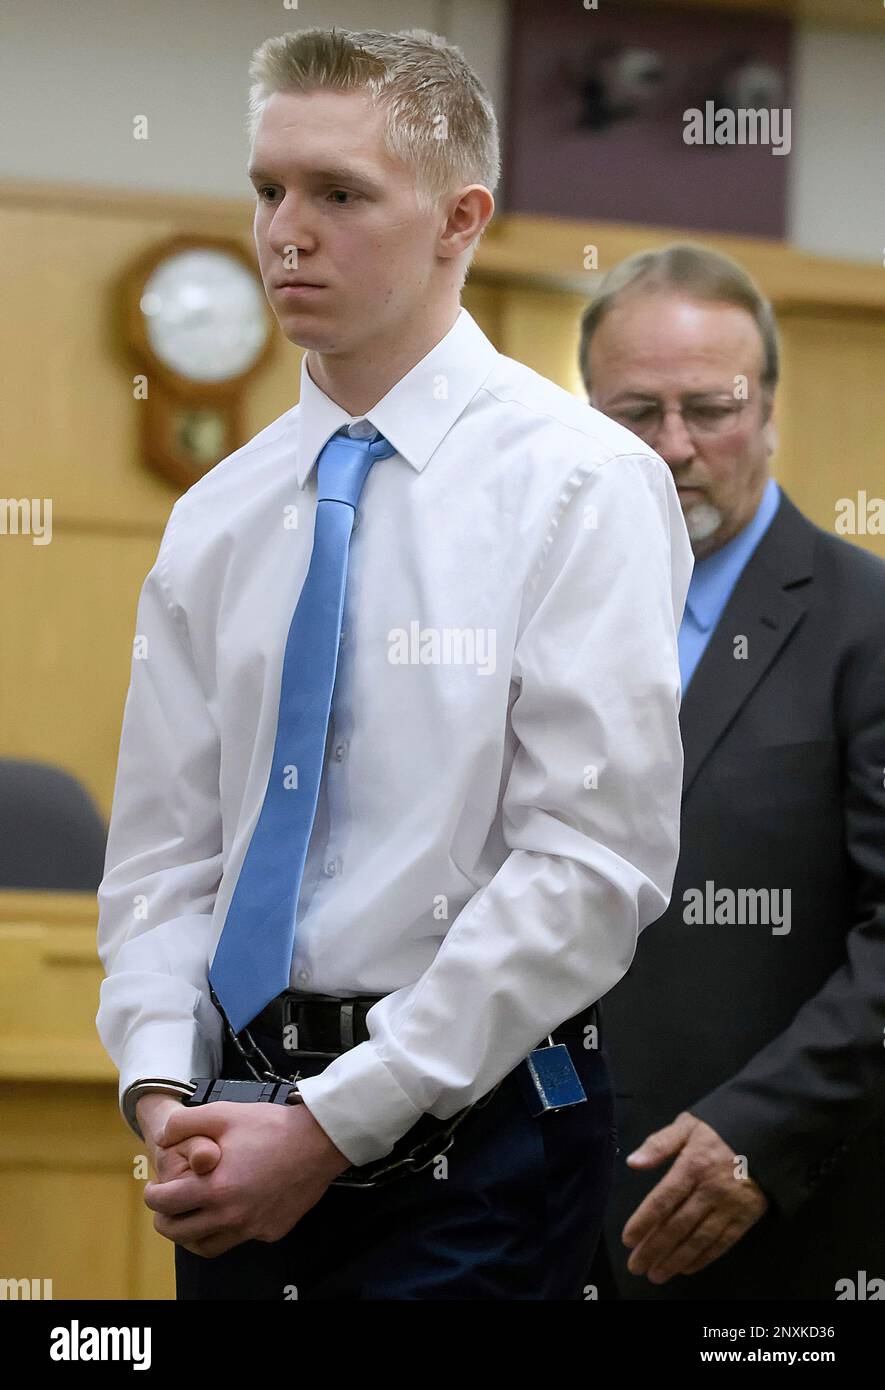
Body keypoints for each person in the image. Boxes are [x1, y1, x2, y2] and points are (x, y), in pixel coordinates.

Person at [95, 27, 692, 1301]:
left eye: (340, 194)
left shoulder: (583, 484)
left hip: (476, 1145)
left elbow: (590, 866)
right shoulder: (220, 512)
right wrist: (161, 1085)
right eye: (268, 191)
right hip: (230, 1129)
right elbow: (165, 855)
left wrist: (329, 1125)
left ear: (459, 219)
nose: (284, 233)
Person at [579, 243, 885, 1300]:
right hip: (537, 1216)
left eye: (711, 407)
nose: (676, 447)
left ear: (770, 413)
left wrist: (756, 1134)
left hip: (772, 1223)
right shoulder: (536, 612)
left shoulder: (868, 622)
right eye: (635, 413)